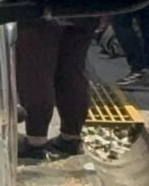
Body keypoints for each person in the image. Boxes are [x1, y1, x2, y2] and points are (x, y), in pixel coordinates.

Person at [13, 16, 96, 160]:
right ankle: (71, 138)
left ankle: (36, 141)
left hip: (41, 9)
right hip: (85, 6)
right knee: (73, 70)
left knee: (36, 72)